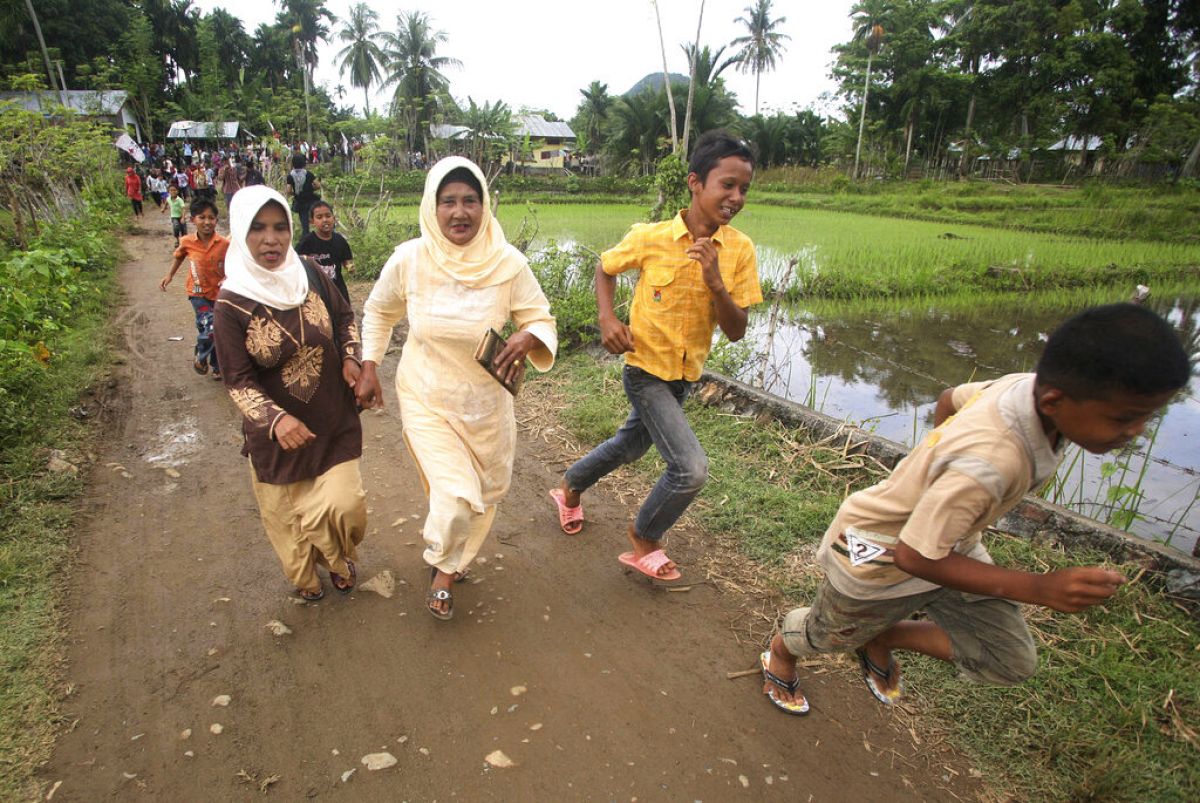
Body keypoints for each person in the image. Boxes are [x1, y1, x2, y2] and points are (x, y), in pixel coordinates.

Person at [757, 303, 1191, 717]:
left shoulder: (1025, 388)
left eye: (1145, 419)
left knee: (1009, 660)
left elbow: (949, 399)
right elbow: (913, 557)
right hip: (877, 555)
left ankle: (883, 634)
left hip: (949, 548)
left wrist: (930, 470)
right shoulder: (990, 463)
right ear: (1055, 401)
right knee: (826, 635)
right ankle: (783, 648)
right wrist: (1038, 588)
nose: (1134, 432)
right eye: (1123, 418)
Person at [550, 130, 762, 582]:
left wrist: (716, 281)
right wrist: (608, 319)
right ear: (695, 183)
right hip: (644, 369)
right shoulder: (651, 238)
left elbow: (737, 330)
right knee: (690, 468)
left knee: (630, 445)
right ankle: (645, 536)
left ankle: (568, 487)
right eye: (727, 185)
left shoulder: (739, 250)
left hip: (685, 375)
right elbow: (605, 269)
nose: (736, 197)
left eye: (744, 188)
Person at [356, 157, 557, 620]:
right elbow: (379, 312)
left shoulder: (509, 264)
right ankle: (443, 572)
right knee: (454, 495)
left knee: (483, 495)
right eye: (448, 201)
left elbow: (540, 318)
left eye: (470, 200)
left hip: (486, 406)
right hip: (427, 396)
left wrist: (530, 336)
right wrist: (369, 365)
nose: (459, 212)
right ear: (432, 205)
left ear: (485, 205)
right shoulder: (410, 258)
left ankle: (455, 557)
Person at [213, 186, 366, 601]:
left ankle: (337, 555)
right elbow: (237, 380)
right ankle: (314, 575)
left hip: (330, 419)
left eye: (281, 227)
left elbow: (345, 317)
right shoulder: (230, 304)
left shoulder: (309, 272)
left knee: (344, 507)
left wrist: (352, 357)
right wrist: (275, 419)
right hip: (277, 437)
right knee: (290, 525)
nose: (271, 239)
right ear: (242, 235)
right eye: (258, 229)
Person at [160, 198, 229, 379]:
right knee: (212, 325)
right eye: (202, 217)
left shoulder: (224, 244)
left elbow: (232, 264)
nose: (207, 222)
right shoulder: (187, 241)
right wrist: (170, 276)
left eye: (212, 218)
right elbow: (179, 257)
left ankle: (215, 365)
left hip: (219, 293)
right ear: (193, 220)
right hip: (197, 293)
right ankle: (202, 355)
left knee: (213, 328)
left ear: (216, 220)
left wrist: (228, 277)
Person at [296, 201, 354, 302]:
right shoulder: (306, 242)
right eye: (319, 217)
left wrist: (350, 267)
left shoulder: (339, 240)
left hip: (337, 290)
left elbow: (346, 260)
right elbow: (295, 262)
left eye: (328, 216)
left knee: (344, 316)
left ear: (334, 218)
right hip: (316, 292)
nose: (325, 220)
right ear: (312, 221)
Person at [285, 154, 321, 238]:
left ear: (293, 164)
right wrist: (311, 189)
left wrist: (295, 194)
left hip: (300, 202)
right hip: (312, 200)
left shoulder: (290, 176)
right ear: (303, 163)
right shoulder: (309, 174)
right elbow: (318, 185)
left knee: (305, 225)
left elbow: (288, 190)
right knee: (317, 217)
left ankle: (306, 239)